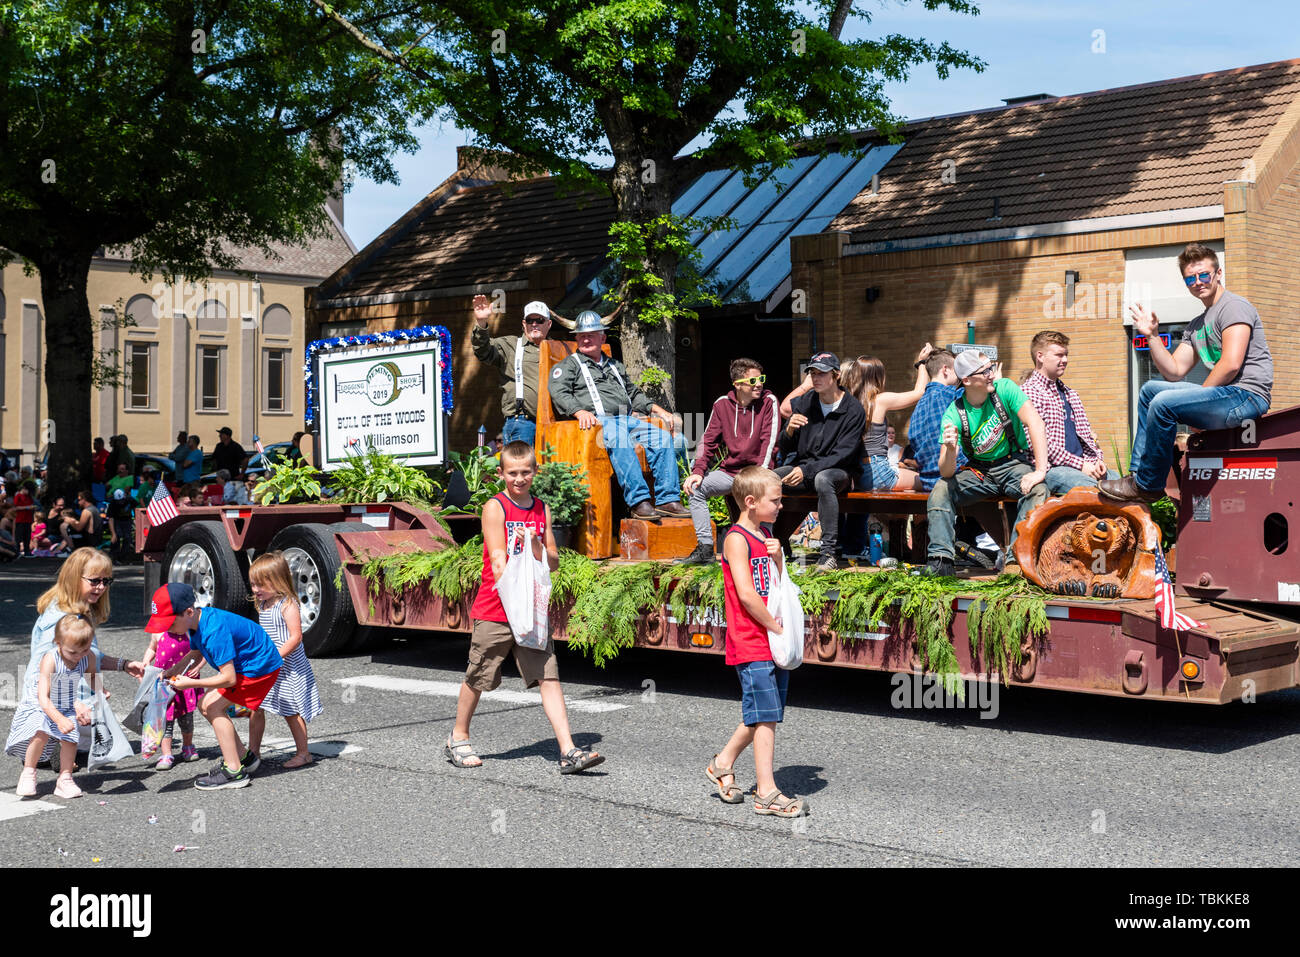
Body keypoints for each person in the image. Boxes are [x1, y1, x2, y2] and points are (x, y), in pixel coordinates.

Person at [446, 441, 604, 774]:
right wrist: (518, 581)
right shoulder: (495, 508)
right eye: (513, 473)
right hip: (496, 607)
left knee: (549, 676)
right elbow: (498, 560)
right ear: (501, 473)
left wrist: (536, 546)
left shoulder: (541, 509)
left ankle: (568, 750)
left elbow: (554, 561)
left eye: (526, 472)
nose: (520, 479)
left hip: (531, 607)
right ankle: (458, 737)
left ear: (535, 472)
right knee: (479, 674)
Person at [1101, 242, 1273, 504]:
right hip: (1224, 396)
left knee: (1163, 403)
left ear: (1218, 273)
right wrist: (1153, 336)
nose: (1198, 282)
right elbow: (1174, 371)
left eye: (1204, 274)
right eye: (1191, 278)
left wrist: (1199, 407)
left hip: (1246, 397)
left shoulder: (1234, 307)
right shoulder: (1196, 325)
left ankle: (1148, 485)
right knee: (1150, 391)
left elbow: (1230, 364)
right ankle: (1138, 477)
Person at [706, 465, 805, 817]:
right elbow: (748, 595)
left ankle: (722, 763)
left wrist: (778, 558)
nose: (780, 506)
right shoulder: (735, 539)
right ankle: (766, 791)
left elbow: (775, 586)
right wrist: (776, 629)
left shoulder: (765, 536)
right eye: (775, 501)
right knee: (765, 717)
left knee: (765, 713)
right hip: (752, 639)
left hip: (768, 637)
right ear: (750, 502)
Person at [547, 311, 688, 519]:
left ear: (602, 337)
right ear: (576, 338)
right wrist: (579, 411)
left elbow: (633, 393)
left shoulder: (615, 366)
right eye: (581, 335)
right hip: (597, 423)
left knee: (663, 438)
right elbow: (559, 393)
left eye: (592, 334)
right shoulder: (569, 366)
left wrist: (658, 410)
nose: (586, 339)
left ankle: (668, 500)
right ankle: (639, 501)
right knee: (620, 438)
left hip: (627, 419)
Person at [924, 351, 1050, 577]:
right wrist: (951, 449)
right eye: (984, 371)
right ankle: (941, 560)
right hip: (979, 470)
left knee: (1039, 489)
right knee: (941, 488)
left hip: (1013, 464)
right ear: (967, 380)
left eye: (990, 368)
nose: (991, 374)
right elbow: (946, 470)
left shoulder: (1005, 389)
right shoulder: (955, 412)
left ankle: (1016, 561)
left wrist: (1040, 471)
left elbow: (1036, 423)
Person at [149, 583, 283, 790]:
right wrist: (173, 670)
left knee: (211, 706)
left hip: (259, 667)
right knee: (206, 704)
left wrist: (191, 683)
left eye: (169, 622)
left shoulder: (213, 631)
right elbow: (196, 652)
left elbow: (229, 679)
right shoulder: (197, 622)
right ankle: (245, 759)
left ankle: (234, 772)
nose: (166, 628)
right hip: (251, 663)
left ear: (188, 612)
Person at [681, 357, 781, 564]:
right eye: (753, 381)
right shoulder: (722, 405)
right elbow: (708, 441)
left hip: (759, 472)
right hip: (731, 473)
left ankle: (764, 549)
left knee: (763, 492)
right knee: (696, 488)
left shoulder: (769, 402)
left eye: (761, 378)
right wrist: (697, 471)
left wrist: (760, 474)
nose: (760, 384)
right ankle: (706, 548)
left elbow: (769, 442)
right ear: (737, 384)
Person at [775, 351, 866, 572]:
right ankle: (775, 541)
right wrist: (788, 431)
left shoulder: (853, 410)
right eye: (812, 373)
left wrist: (806, 470)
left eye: (821, 374)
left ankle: (828, 554)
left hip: (840, 472)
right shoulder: (805, 402)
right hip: (805, 467)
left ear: (836, 376)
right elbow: (785, 447)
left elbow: (843, 455)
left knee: (823, 479)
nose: (815, 378)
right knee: (765, 479)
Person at [6, 614, 100, 798]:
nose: (78, 656)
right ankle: (28, 772)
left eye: (86, 649)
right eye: (73, 652)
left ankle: (65, 779)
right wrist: (59, 719)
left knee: (71, 739)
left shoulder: (88, 657)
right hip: (42, 703)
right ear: (57, 643)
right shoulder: (50, 659)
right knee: (41, 732)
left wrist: (100, 690)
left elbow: (92, 677)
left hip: (64, 700)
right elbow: (43, 697)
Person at [247, 552, 323, 769]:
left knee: (290, 710)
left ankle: (304, 753)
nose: (255, 590)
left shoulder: (287, 604)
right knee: (256, 706)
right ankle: (254, 752)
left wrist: (274, 656)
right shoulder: (263, 605)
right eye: (253, 584)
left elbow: (296, 637)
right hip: (270, 664)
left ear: (278, 581)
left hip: (288, 666)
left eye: (261, 585)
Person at [1022, 331, 1107, 496]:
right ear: (1040, 356)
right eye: (1059, 355)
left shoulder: (1070, 394)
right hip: (1052, 469)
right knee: (1095, 492)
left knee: (1121, 486)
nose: (1065, 360)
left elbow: (1086, 436)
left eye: (1066, 355)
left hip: (1081, 466)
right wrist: (1081, 465)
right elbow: (1039, 443)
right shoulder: (1028, 393)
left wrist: (1096, 462)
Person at [842, 346, 933, 492]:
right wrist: (921, 363)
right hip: (877, 470)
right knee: (929, 483)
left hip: (857, 473)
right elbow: (919, 393)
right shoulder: (880, 400)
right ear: (878, 377)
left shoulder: (848, 402)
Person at [471, 297, 555, 446]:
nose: (534, 324)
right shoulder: (510, 345)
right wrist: (481, 323)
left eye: (539, 320)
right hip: (522, 423)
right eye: (530, 320)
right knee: (520, 467)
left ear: (548, 324)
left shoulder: (557, 350)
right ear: (524, 324)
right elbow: (483, 351)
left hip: (553, 423)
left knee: (553, 469)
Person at [138, 628, 203, 769]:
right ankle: (166, 754)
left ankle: (188, 746)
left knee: (187, 720)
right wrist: (146, 661)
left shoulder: (190, 633)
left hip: (185, 683)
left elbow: (203, 652)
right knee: (166, 722)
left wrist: (198, 666)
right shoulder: (159, 633)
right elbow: (152, 648)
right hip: (164, 685)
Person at [906, 349, 965, 492]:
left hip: (927, 481)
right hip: (955, 478)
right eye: (956, 370)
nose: (960, 376)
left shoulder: (917, 407)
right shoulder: (952, 395)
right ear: (945, 369)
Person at [13, 482, 34, 557]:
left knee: (27, 536)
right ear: (24, 489)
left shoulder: (29, 497)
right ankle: (17, 551)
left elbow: (31, 504)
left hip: (28, 519)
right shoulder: (18, 496)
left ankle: (27, 551)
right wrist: (27, 507)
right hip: (20, 519)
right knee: (18, 536)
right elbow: (15, 507)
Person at [91, 437, 110, 504]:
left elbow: (106, 469)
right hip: (95, 481)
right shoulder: (95, 454)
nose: (94, 445)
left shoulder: (105, 454)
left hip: (102, 482)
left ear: (101, 444)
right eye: (94, 444)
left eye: (96, 444)